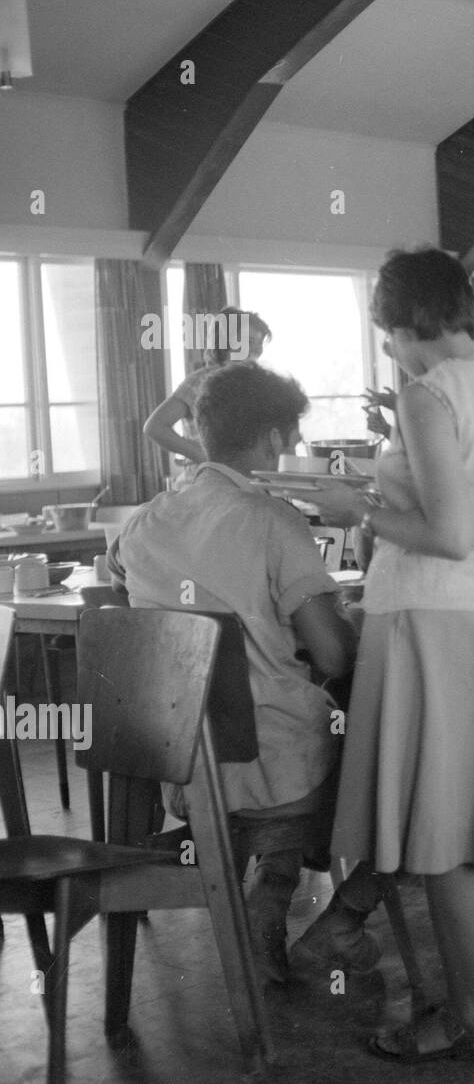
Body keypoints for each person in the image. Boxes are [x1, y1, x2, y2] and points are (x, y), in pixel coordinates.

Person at [303, 247, 474, 1062]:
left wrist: (359, 509)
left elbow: (442, 534)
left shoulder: (426, 393)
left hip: (427, 621)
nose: (391, 355)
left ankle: (466, 1017)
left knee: (444, 843)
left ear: (409, 325)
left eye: (389, 338)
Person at [109, 361, 370, 986]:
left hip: (180, 764)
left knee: (280, 730)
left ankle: (250, 876)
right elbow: (334, 657)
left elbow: (122, 578)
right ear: (278, 439)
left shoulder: (143, 522)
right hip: (274, 767)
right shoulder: (275, 522)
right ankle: (317, 909)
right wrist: (348, 613)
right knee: (398, 766)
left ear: (202, 429)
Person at [143, 307, 272, 471]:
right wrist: (203, 456)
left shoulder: (254, 384)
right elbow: (155, 426)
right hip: (206, 483)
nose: (256, 349)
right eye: (248, 341)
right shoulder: (201, 381)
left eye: (259, 343)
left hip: (243, 482)